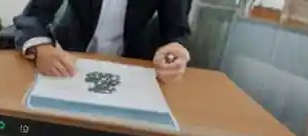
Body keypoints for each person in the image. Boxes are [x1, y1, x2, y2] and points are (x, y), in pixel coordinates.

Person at [12, 0, 191, 82]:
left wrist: (174, 51)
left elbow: (176, 31)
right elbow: (35, 14)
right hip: (70, 59)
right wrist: (41, 48)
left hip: (132, 66)